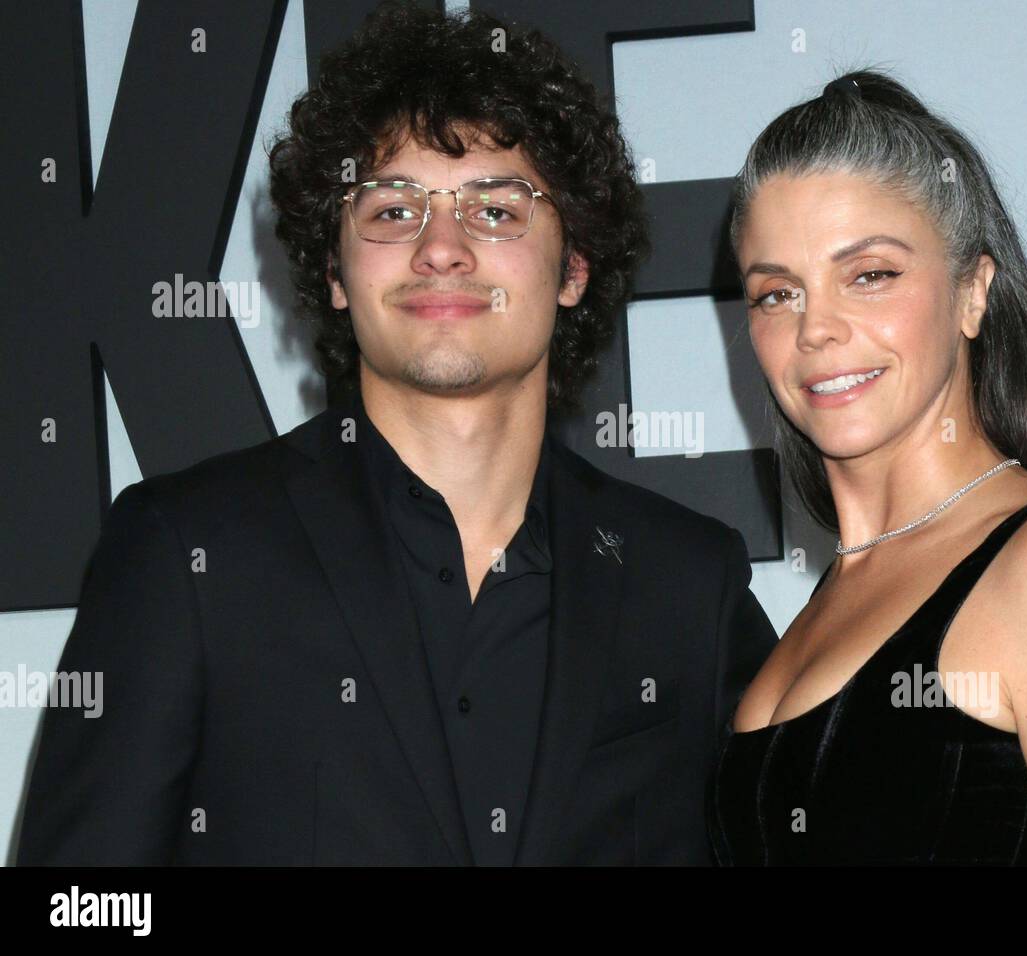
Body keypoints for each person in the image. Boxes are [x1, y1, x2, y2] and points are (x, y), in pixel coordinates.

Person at [17, 2, 776, 866]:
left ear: (573, 267)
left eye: (496, 210)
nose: (440, 247)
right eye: (390, 210)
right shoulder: (188, 554)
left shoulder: (686, 585)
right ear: (335, 271)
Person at [708, 70, 1027, 865]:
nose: (817, 330)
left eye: (870, 275)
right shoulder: (828, 604)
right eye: (776, 294)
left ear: (973, 293)